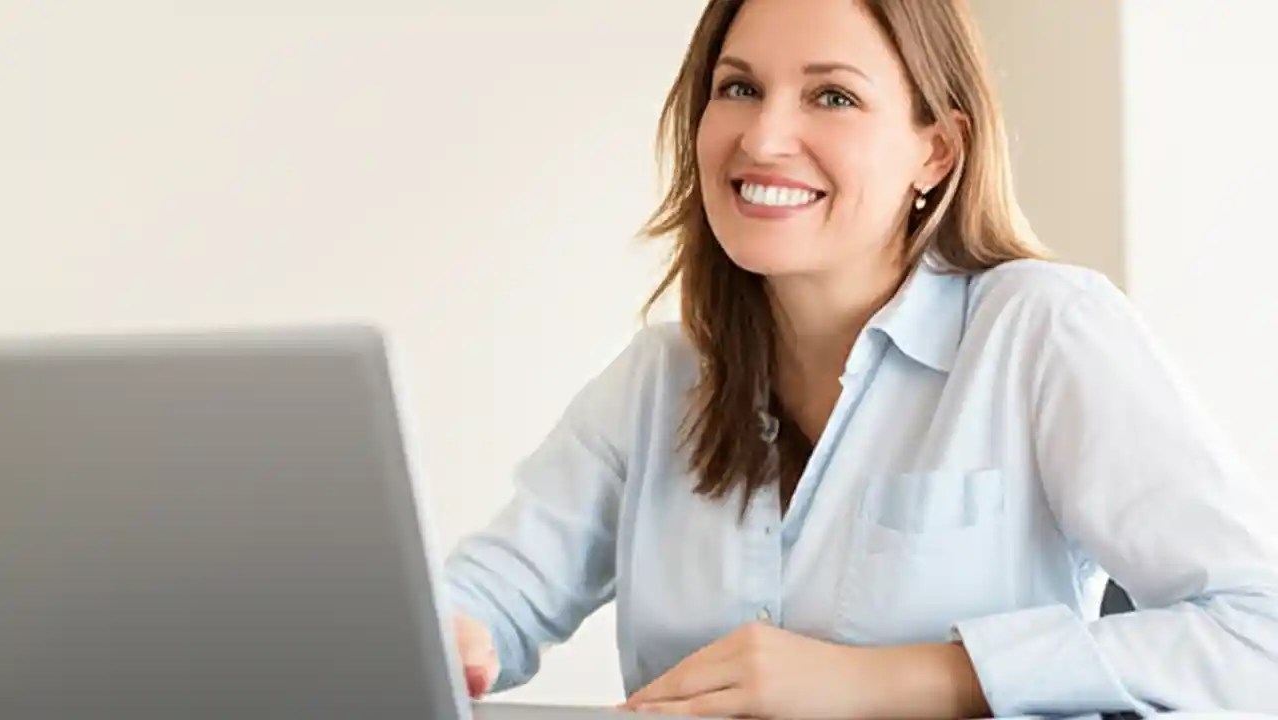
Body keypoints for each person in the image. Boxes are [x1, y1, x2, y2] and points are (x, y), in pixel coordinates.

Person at [444, 0, 1278, 717]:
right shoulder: (659, 380)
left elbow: (1258, 633)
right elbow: (485, 603)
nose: (765, 137)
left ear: (937, 152)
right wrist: (453, 637)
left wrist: (898, 681)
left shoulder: (1040, 330)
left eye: (832, 96)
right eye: (738, 87)